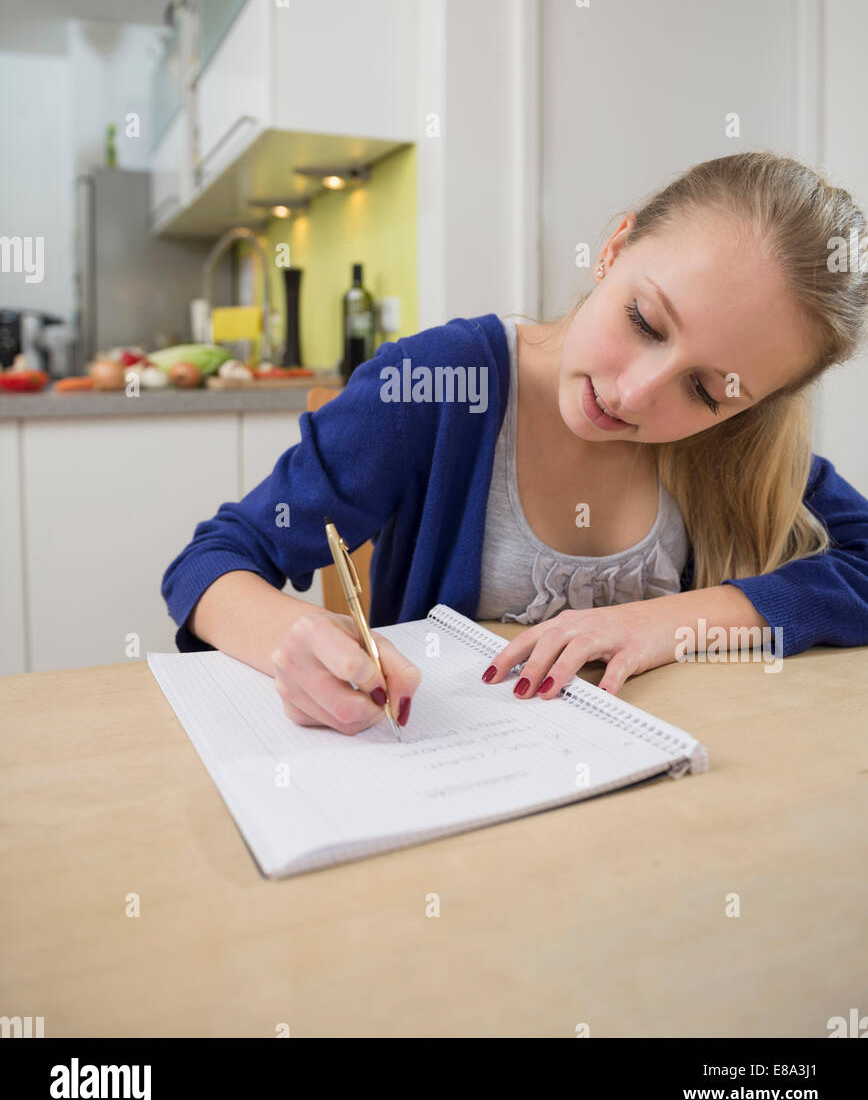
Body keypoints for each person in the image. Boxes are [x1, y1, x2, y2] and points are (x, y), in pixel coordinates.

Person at [162, 152, 868, 733]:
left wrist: (674, 620)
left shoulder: (737, 445)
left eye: (707, 392)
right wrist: (289, 639)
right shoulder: (437, 385)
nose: (635, 393)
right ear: (614, 249)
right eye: (646, 323)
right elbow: (216, 558)